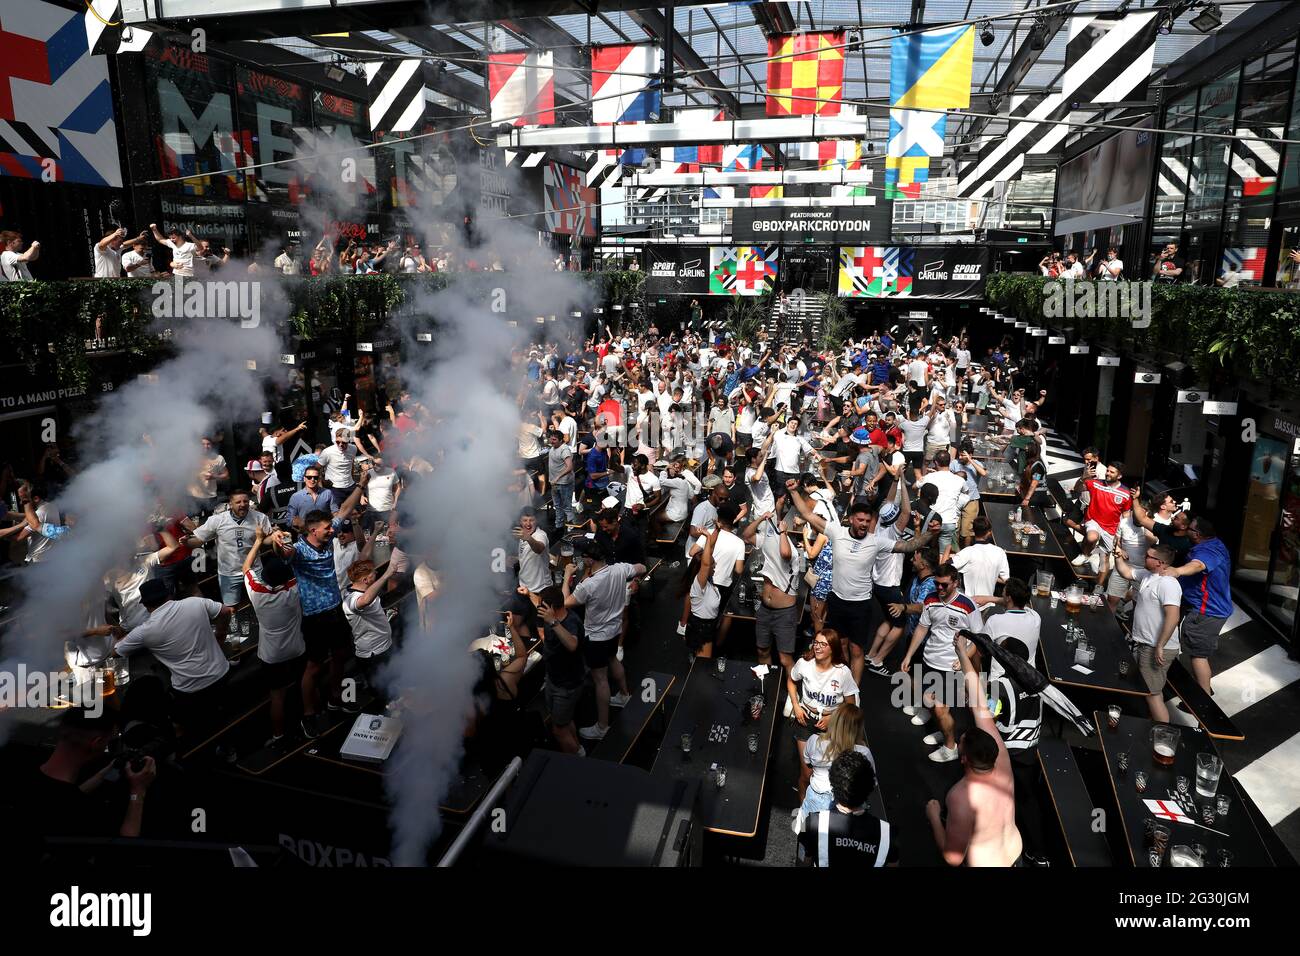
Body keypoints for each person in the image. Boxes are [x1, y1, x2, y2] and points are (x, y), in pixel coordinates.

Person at [787, 479, 933, 684]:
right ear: (851, 519)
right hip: (837, 601)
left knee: (857, 649)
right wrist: (794, 491)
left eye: (867, 520)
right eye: (860, 520)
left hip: (861, 605)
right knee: (841, 645)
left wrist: (930, 533)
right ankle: (845, 683)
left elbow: (908, 547)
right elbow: (807, 515)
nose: (864, 524)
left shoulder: (876, 541)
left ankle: (854, 692)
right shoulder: (836, 532)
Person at [268, 478, 368, 737]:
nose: (332, 531)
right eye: (326, 529)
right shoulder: (300, 551)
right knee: (313, 667)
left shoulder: (327, 533)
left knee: (341, 655)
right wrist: (276, 540)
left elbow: (344, 509)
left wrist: (362, 483)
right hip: (314, 617)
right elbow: (284, 555)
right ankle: (309, 714)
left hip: (335, 609)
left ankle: (335, 698)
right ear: (313, 531)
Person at [926, 633, 1023, 866]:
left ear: (964, 759)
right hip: (1015, 854)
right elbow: (979, 701)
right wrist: (961, 651)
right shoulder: (1001, 761)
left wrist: (934, 817)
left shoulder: (961, 797)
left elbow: (953, 858)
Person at [114, 578, 233, 740]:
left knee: (180, 727)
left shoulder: (145, 631)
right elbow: (226, 611)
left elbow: (116, 651)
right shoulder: (194, 603)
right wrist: (220, 635)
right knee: (221, 717)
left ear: (146, 605)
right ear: (168, 595)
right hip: (221, 675)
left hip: (190, 692)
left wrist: (114, 632)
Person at [22, 709, 157, 847]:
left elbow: (68, 796)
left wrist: (107, 770)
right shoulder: (83, 816)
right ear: (96, 743)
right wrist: (138, 791)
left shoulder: (22, 773)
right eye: (111, 742)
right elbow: (124, 851)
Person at [899, 561, 984, 763]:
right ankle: (941, 728)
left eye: (944, 584)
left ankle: (950, 747)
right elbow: (922, 628)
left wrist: (964, 658)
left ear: (955, 582)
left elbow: (981, 638)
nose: (939, 588)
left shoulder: (967, 605)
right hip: (930, 660)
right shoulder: (930, 599)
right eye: (937, 584)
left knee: (941, 707)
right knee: (929, 701)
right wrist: (909, 654)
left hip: (951, 666)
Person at [564, 535, 645, 741]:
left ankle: (602, 726)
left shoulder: (587, 586)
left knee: (600, 679)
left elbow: (565, 602)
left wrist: (566, 577)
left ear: (589, 560)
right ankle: (625, 695)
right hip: (615, 630)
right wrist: (633, 578)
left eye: (582, 559)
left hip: (596, 637)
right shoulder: (619, 569)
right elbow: (641, 568)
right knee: (613, 659)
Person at [241, 530, 307, 749]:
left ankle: (278, 736)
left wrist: (259, 541)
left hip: (272, 655)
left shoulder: (258, 593)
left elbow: (246, 568)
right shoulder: (293, 589)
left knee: (276, 696)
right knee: (300, 686)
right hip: (297, 649)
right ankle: (305, 722)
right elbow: (294, 570)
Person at [1159, 516, 1232, 696]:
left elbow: (1197, 565)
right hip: (1198, 605)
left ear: (1197, 534)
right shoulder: (1212, 544)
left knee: (1198, 655)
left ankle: (1204, 698)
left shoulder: (1209, 552)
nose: (1186, 531)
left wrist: (1177, 571)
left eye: (1189, 529)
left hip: (1207, 612)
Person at [1114, 545, 1182, 722]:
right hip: (1147, 644)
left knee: (1153, 694)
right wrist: (1117, 556)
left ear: (1160, 562)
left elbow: (1173, 617)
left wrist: (1160, 645)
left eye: (1148, 556)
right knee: (1148, 690)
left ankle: (1162, 734)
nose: (1144, 557)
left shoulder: (1168, 583)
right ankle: (1152, 725)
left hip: (1156, 647)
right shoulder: (1148, 575)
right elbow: (1126, 572)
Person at [797, 750, 897, 867]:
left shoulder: (812, 823)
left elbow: (803, 862)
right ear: (869, 788)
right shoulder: (889, 835)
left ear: (833, 783)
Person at [184, 489, 273, 609]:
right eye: (238, 502)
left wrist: (274, 537)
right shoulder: (217, 520)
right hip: (229, 572)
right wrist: (186, 542)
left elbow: (266, 539)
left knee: (263, 602)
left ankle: (258, 624)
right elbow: (199, 540)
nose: (242, 504)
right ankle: (234, 626)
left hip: (254, 569)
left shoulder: (260, 518)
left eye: (245, 501)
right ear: (230, 504)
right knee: (231, 607)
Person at [787, 628, 859, 768]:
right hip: (806, 720)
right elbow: (791, 680)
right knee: (807, 772)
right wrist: (795, 705)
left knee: (829, 769)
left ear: (833, 648)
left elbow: (852, 705)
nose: (817, 647)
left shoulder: (843, 672)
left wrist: (832, 718)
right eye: (816, 643)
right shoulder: (804, 663)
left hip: (833, 723)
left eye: (823, 644)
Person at [744, 508, 803, 672]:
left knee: (785, 658)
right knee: (762, 651)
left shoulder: (793, 554)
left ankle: (792, 695)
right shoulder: (770, 541)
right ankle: (765, 689)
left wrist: (783, 533)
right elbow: (747, 535)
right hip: (765, 609)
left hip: (784, 613)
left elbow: (784, 553)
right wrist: (761, 519)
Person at [797, 702, 873, 824]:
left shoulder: (814, 741)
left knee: (810, 834)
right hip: (850, 804)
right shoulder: (864, 752)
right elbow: (871, 783)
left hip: (818, 797)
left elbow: (808, 764)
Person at [536, 585, 587, 756]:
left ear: (551, 608)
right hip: (553, 679)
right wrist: (528, 593)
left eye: (542, 606)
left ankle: (574, 767)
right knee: (563, 722)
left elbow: (572, 645)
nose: (539, 609)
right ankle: (578, 750)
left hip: (566, 685)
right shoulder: (553, 617)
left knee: (558, 730)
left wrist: (552, 622)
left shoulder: (570, 622)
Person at [1071, 461, 1131, 581]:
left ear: (1119, 476)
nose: (1107, 473)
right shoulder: (1096, 483)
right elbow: (1076, 489)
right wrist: (1083, 477)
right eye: (1107, 470)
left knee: (1105, 559)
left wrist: (1124, 533)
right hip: (1093, 520)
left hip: (1111, 529)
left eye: (1111, 472)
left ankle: (1099, 586)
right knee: (1092, 537)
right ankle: (1085, 554)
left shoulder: (1125, 493)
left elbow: (1126, 514)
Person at [341, 558, 397, 682]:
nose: (376, 574)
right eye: (374, 573)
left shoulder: (362, 588)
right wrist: (386, 575)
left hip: (384, 646)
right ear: (365, 580)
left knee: (393, 684)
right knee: (383, 690)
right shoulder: (352, 599)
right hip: (374, 653)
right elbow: (365, 601)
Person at [679, 526, 723, 658]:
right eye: (713, 565)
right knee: (701, 668)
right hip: (701, 629)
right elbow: (706, 564)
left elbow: (709, 554)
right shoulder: (699, 584)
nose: (715, 567)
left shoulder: (706, 582)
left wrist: (717, 530)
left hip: (707, 626)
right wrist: (707, 537)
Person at [950, 516, 1009, 612]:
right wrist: (991, 574)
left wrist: (948, 550)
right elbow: (1005, 579)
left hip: (967, 606)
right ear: (989, 532)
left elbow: (946, 566)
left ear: (973, 531)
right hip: (988, 605)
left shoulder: (967, 552)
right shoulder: (1000, 552)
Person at [919, 450, 966, 559]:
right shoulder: (959, 480)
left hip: (932, 521)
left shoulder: (929, 477)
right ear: (949, 462)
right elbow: (966, 491)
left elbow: (915, 486)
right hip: (949, 521)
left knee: (926, 551)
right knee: (943, 554)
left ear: (935, 462)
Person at [286, 466, 337, 532]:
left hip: (326, 534)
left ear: (319, 479)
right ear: (304, 479)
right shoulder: (296, 497)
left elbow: (335, 513)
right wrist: (296, 522)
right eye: (309, 477)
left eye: (315, 477)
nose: (312, 479)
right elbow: (289, 520)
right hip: (306, 535)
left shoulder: (328, 493)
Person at [514, 507, 551, 596]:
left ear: (536, 521)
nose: (528, 524)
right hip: (524, 587)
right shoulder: (523, 535)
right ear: (520, 522)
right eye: (525, 520)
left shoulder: (540, 535)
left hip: (540, 590)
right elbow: (526, 556)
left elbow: (539, 549)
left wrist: (528, 538)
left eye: (531, 520)